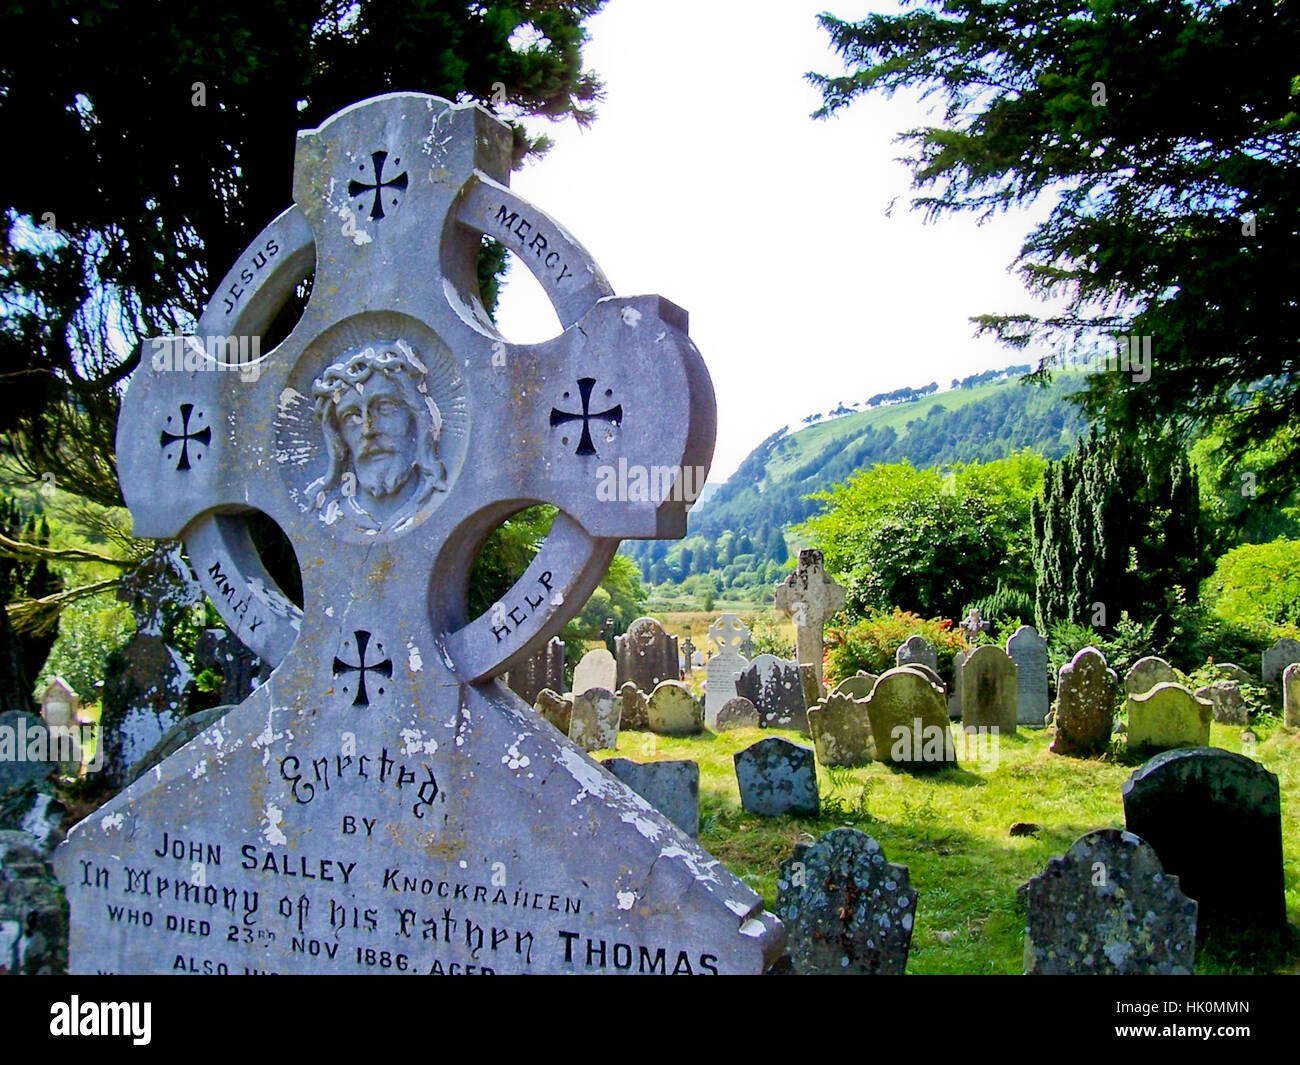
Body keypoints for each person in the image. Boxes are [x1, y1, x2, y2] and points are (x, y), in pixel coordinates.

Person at [307, 339, 446, 531]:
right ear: (338, 436)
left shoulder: (439, 503)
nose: (368, 430)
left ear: (416, 416)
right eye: (351, 416)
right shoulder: (331, 516)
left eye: (385, 407)